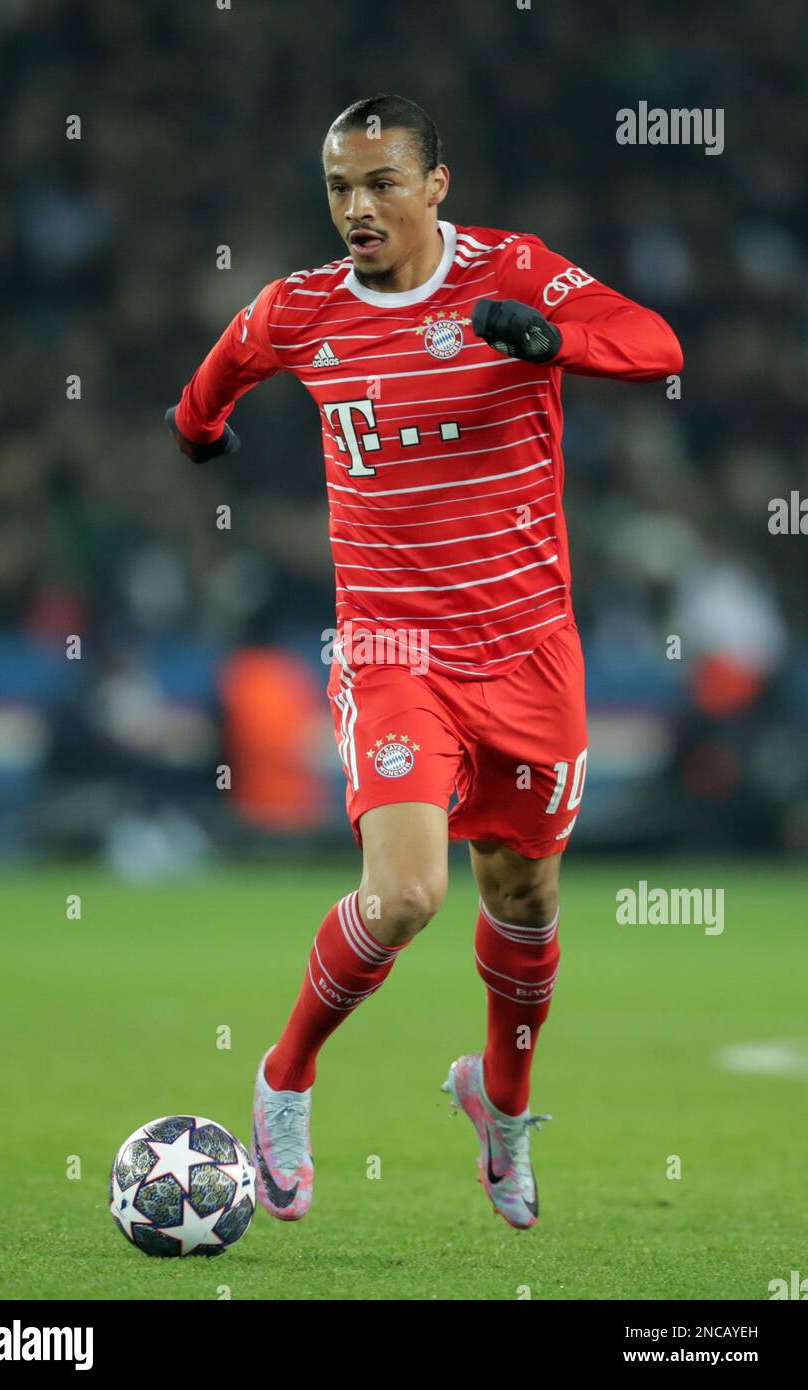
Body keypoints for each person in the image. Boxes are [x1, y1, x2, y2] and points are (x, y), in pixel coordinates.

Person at [166, 93, 683, 1229]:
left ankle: (497, 1110)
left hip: (532, 653)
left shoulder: (514, 272)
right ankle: (285, 1077)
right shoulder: (297, 311)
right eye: (339, 187)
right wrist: (203, 434)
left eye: (381, 183)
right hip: (395, 649)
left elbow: (657, 346)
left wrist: (553, 340)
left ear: (434, 184)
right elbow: (206, 393)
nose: (357, 207)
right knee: (404, 895)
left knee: (525, 899)